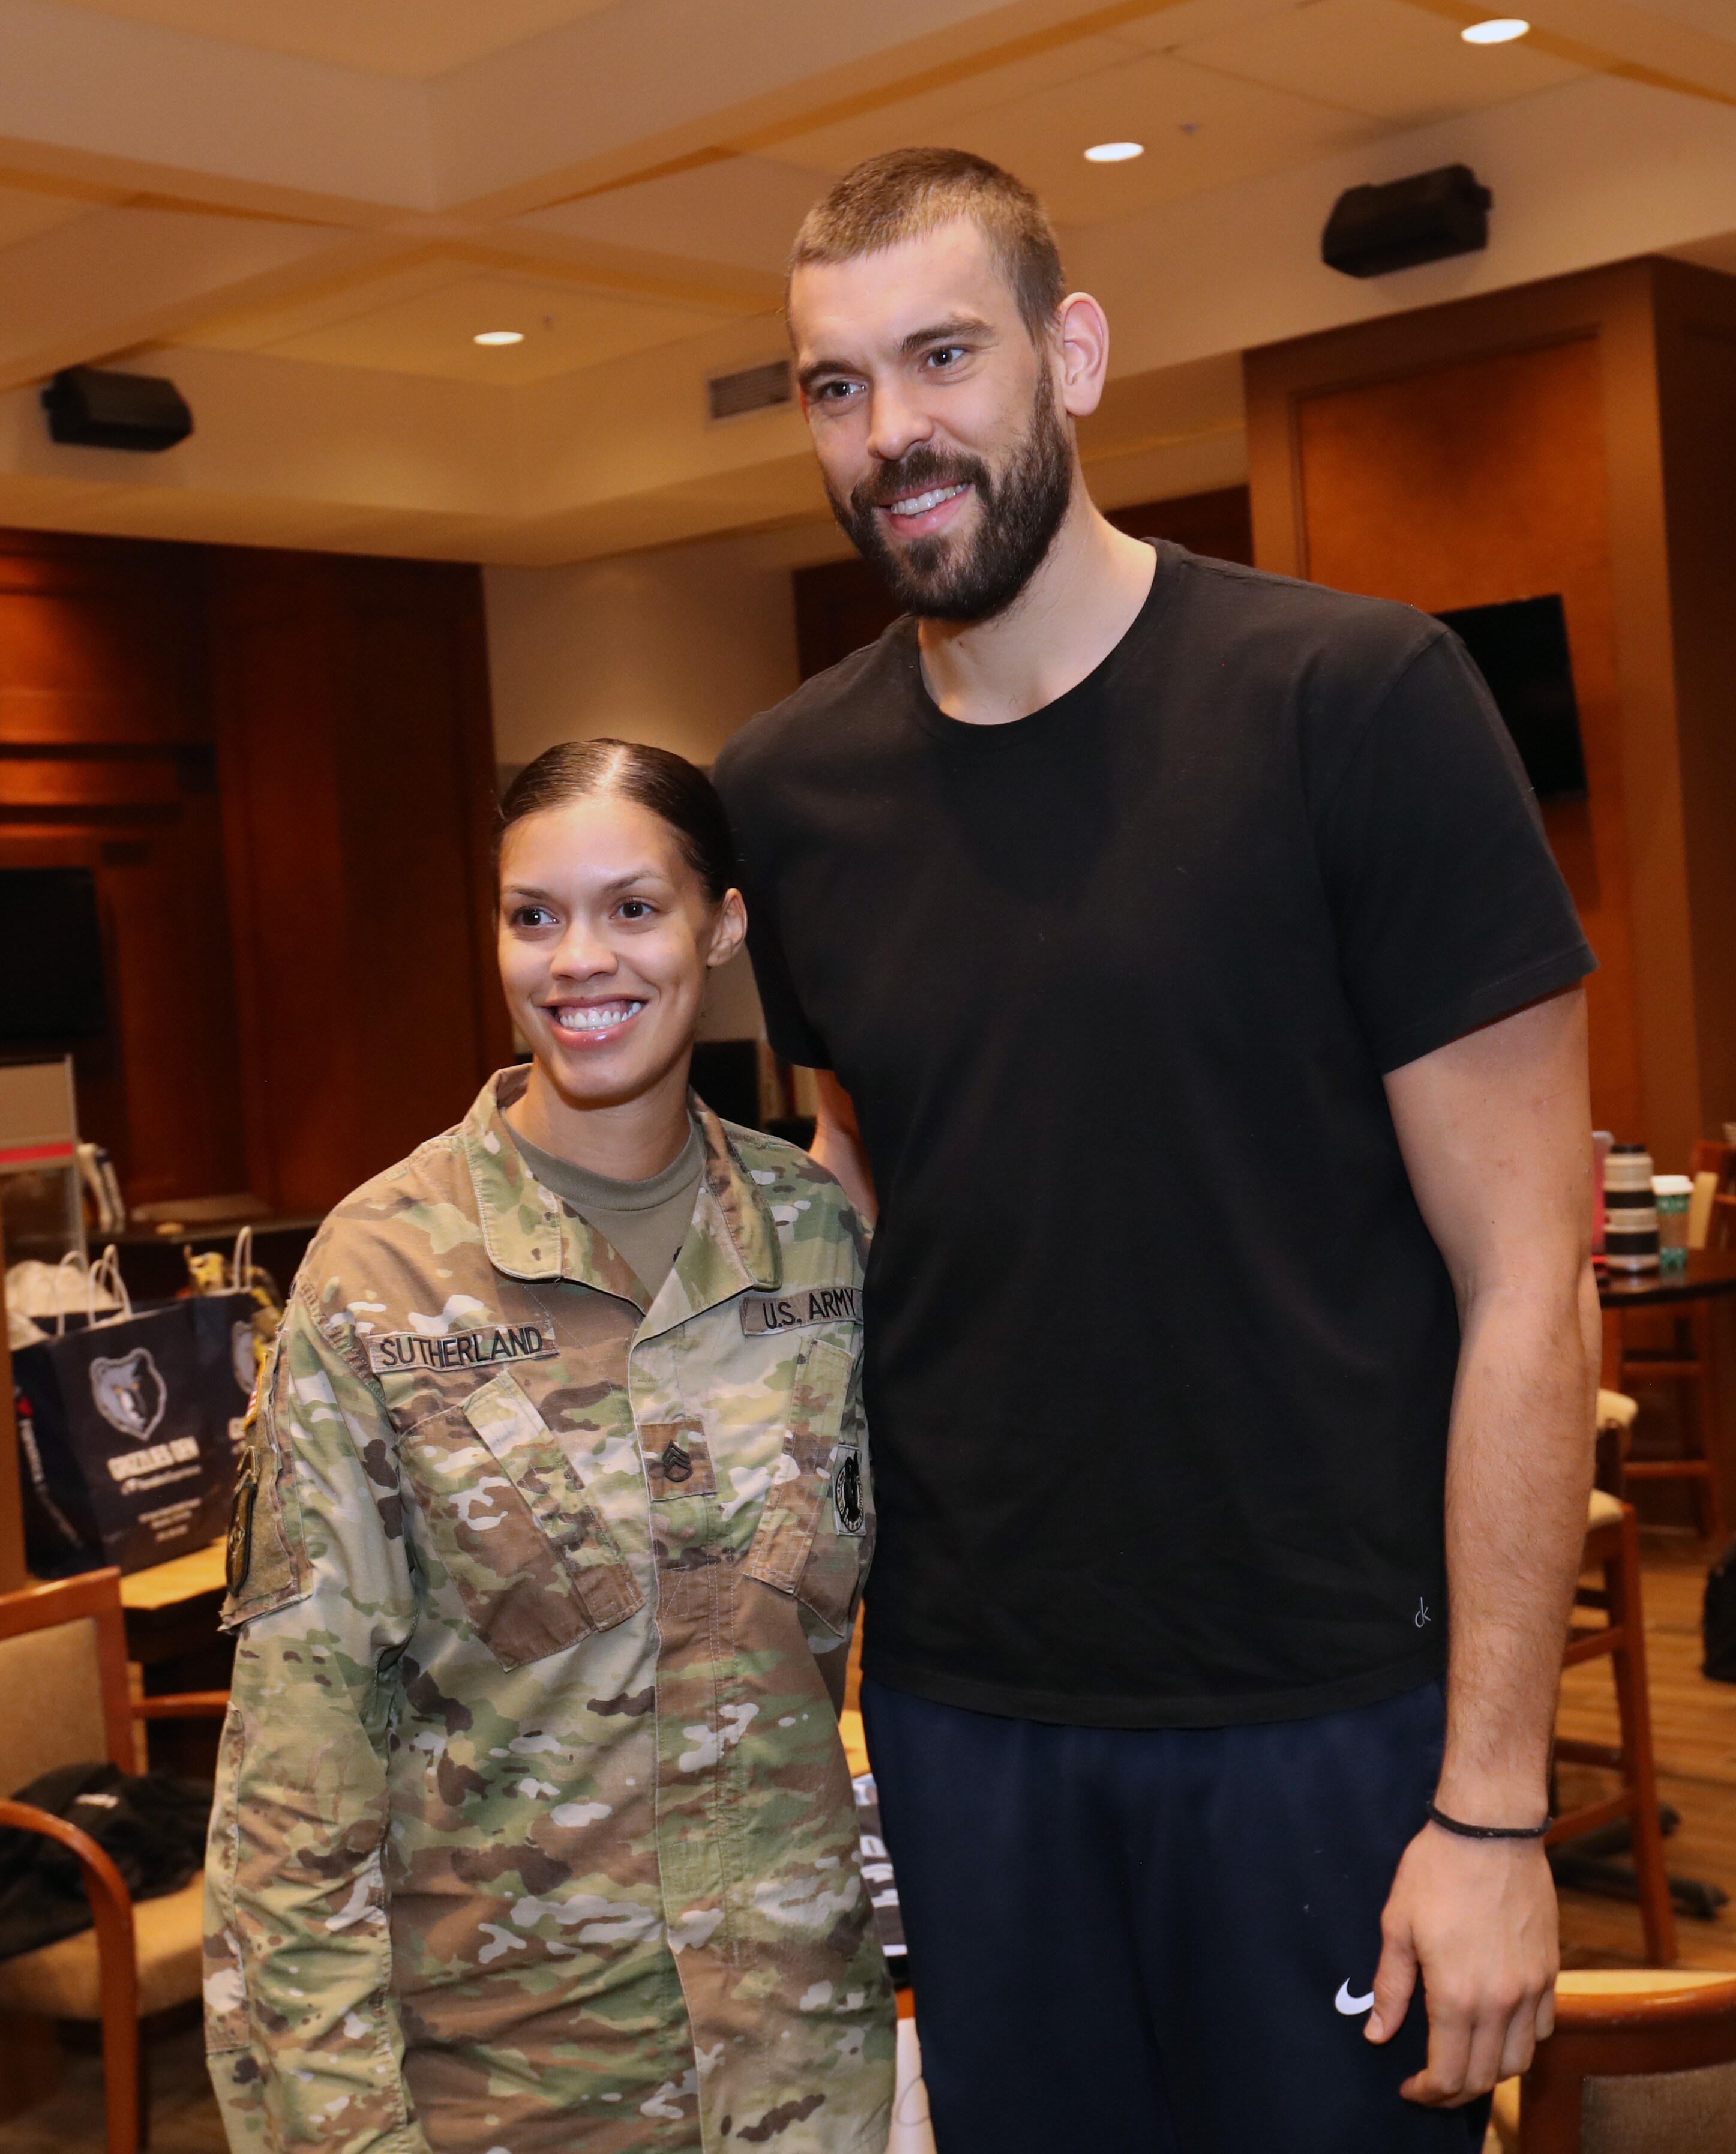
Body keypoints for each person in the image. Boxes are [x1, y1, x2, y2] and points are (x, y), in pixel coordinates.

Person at [712, 149, 1599, 2152]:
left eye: (944, 356)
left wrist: (1491, 1804)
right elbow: (877, 1187)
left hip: (1321, 1710)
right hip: (966, 1716)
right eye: (837, 384)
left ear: (1074, 354)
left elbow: (1525, 1284)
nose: (891, 429)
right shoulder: (785, 788)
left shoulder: (1352, 699)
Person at [203, 739, 893, 2154]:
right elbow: (296, 1775)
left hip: (802, 2076)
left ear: (723, 926)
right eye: (535, 915)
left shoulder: (818, 1246)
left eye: (633, 908)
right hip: (512, 2090)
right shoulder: (381, 1275)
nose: (580, 960)